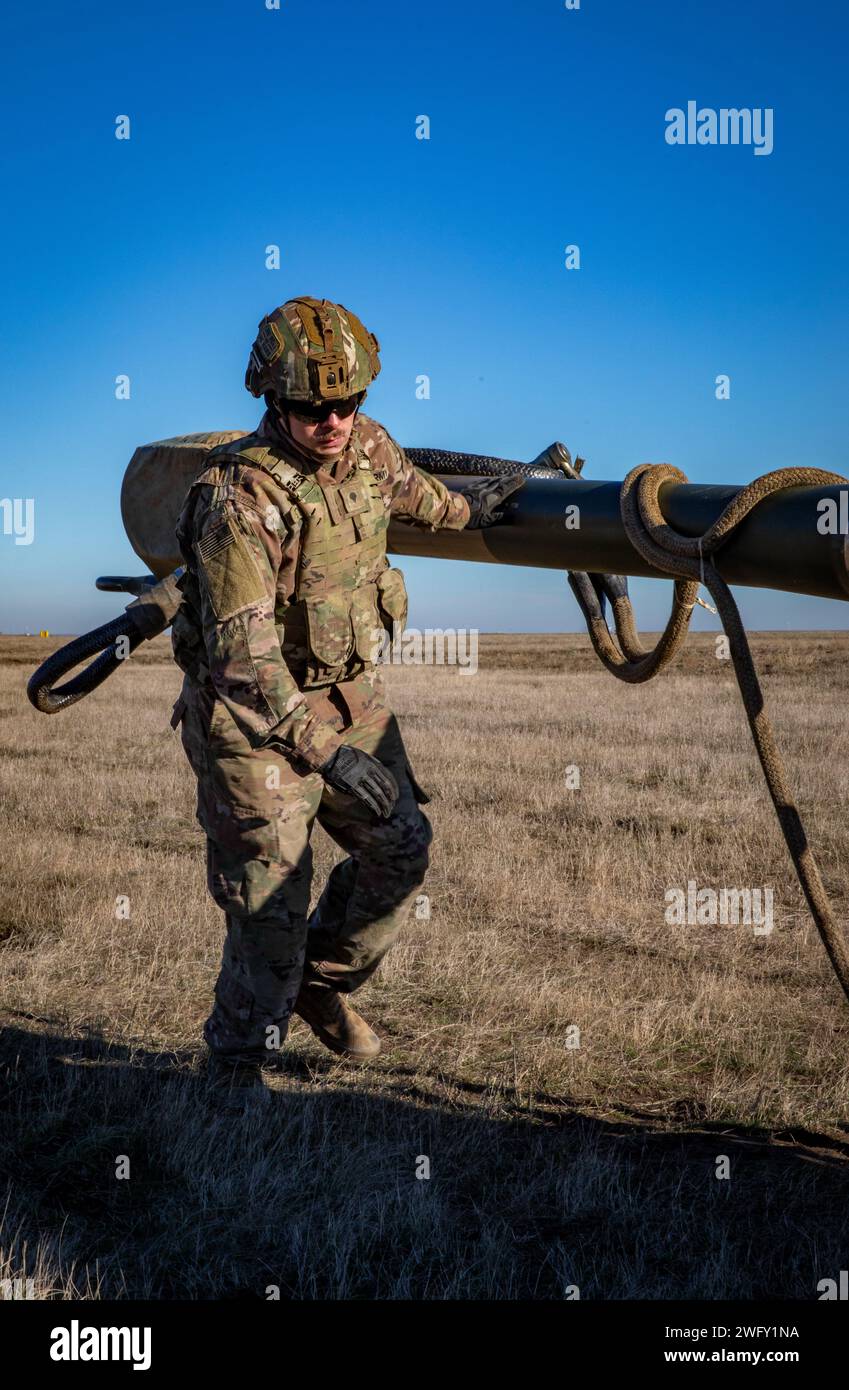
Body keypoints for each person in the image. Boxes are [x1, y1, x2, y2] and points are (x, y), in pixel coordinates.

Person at [169, 296, 523, 1092]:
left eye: (349, 403)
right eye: (310, 407)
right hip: (255, 721)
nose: (333, 421)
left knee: (399, 846)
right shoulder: (238, 499)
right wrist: (322, 754)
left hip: (348, 699)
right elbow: (241, 661)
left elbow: (424, 500)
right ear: (270, 398)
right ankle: (233, 1070)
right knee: (269, 908)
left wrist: (491, 500)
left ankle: (322, 986)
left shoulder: (368, 446)